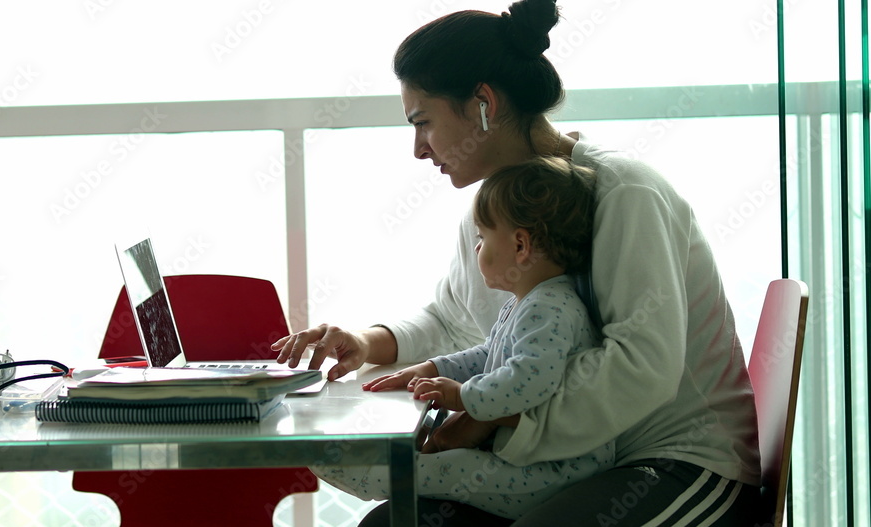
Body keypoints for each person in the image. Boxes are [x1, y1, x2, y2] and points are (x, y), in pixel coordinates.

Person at [273, 0, 763, 525]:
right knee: (392, 522)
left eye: (423, 121)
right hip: (570, 464)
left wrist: (492, 418)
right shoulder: (495, 214)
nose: (417, 149)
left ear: (483, 102)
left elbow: (642, 369)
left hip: (679, 463)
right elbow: (452, 318)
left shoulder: (624, 192)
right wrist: (369, 342)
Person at [314, 157, 613, 520]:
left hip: (551, 474)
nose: (476, 249)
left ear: (520, 247)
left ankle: (378, 474)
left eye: (483, 238)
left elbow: (528, 383)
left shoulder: (549, 307)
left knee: (454, 469)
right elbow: (491, 354)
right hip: (532, 459)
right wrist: (434, 367)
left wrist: (461, 396)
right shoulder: (530, 302)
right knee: (444, 443)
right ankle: (391, 458)